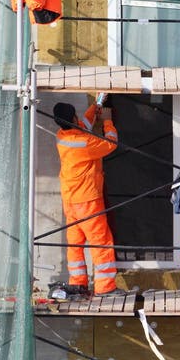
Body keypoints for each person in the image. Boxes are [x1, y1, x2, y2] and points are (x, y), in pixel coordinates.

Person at [53, 100, 124, 297]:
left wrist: (95, 107)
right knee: (101, 241)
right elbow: (110, 143)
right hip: (87, 200)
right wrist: (108, 121)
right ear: (73, 118)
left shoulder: (62, 136)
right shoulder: (85, 143)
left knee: (75, 244)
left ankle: (78, 284)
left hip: (70, 200)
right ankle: (105, 287)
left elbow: (82, 124)